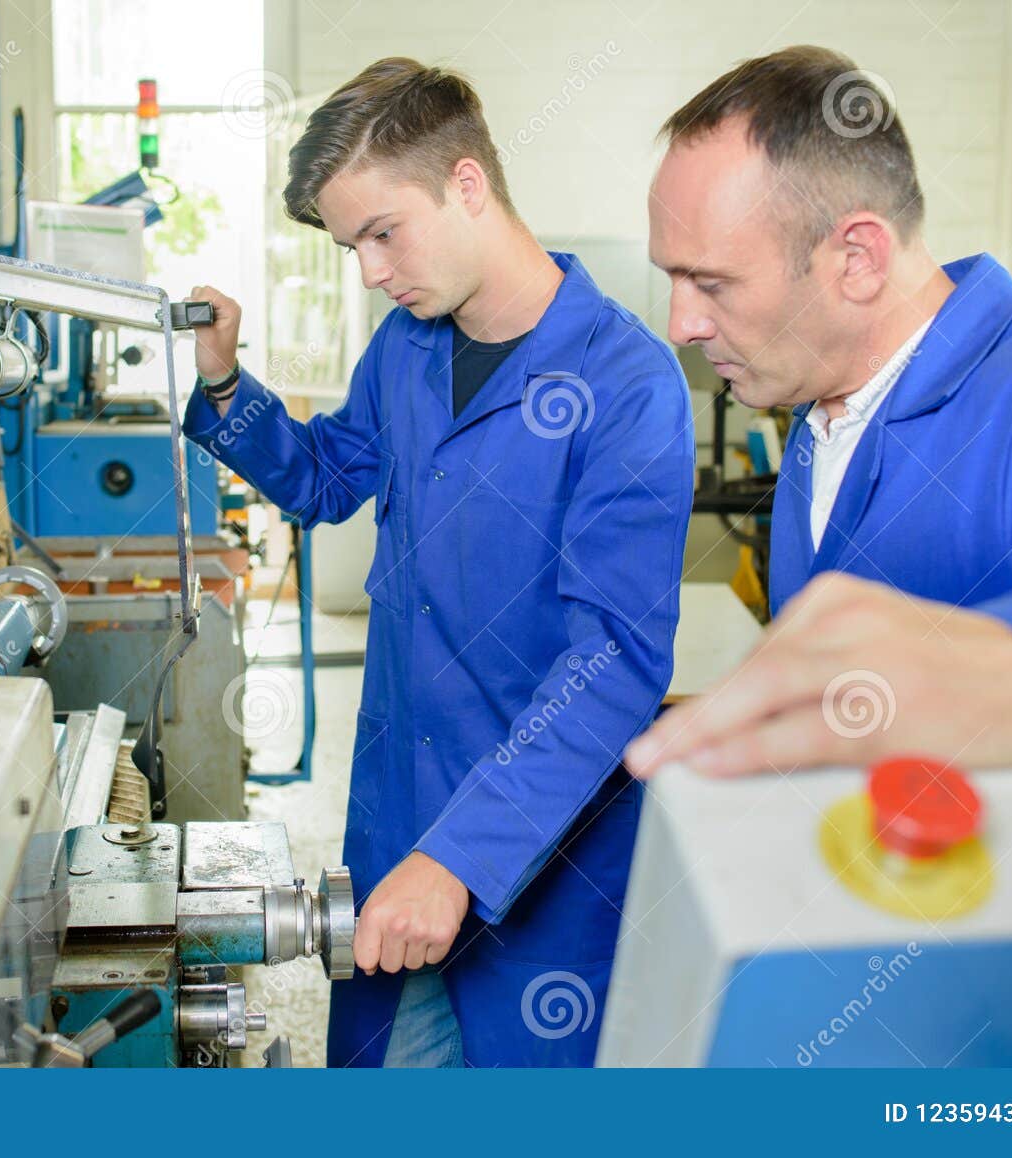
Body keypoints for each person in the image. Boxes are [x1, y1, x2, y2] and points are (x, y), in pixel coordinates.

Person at [624, 45, 1012, 1067]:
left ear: (854, 257)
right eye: (671, 278)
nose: (679, 320)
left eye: (708, 281)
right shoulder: (820, 415)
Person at [185, 58, 693, 1066]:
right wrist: (225, 382)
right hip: (394, 821)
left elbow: (613, 667)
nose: (370, 270)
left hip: (532, 854)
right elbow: (329, 478)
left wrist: (461, 857)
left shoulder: (626, 383)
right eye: (350, 246)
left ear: (466, 184)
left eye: (382, 233)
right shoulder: (408, 347)